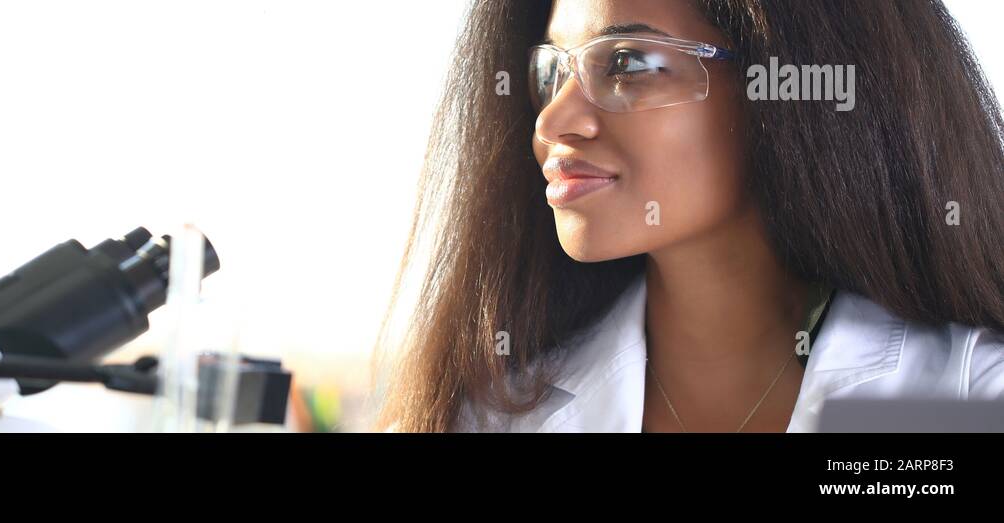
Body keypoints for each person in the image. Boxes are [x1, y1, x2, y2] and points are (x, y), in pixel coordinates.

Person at [377, 0, 1004, 432]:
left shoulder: (967, 398)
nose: (552, 121)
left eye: (626, 62)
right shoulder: (485, 418)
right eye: (552, 72)